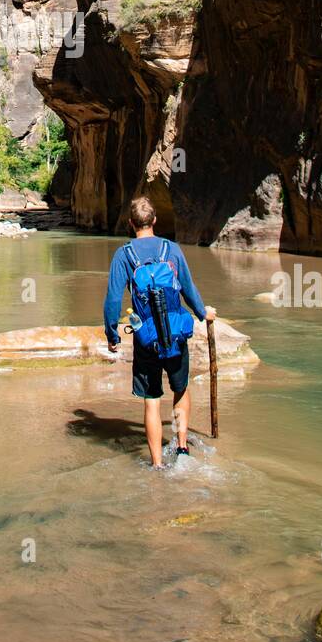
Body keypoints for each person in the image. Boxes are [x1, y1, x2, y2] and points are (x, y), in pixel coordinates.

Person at [103, 195, 216, 468]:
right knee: (180, 389)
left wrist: (112, 335)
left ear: (131, 224)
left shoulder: (124, 255)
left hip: (146, 341)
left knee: (152, 400)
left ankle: (156, 465)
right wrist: (203, 313)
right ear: (154, 221)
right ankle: (181, 447)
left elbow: (113, 300)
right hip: (176, 336)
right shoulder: (171, 249)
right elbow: (188, 288)